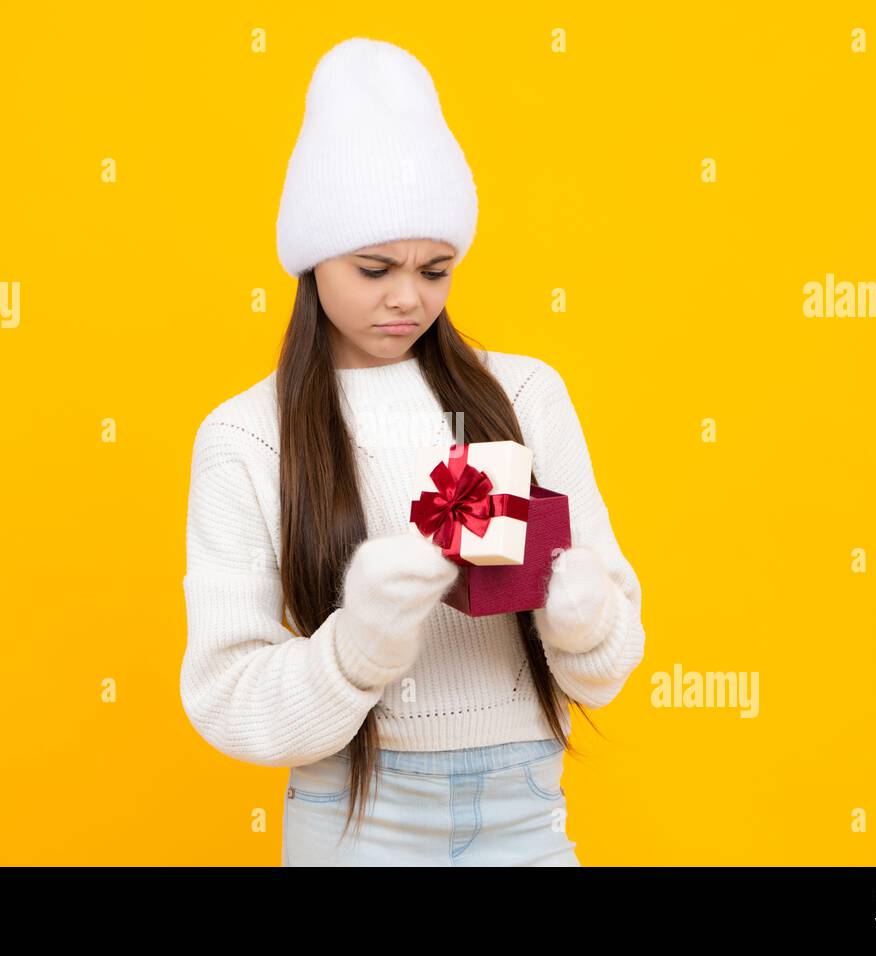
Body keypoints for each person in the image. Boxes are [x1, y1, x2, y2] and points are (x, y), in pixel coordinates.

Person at [179, 36, 646, 866]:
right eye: (373, 267)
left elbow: (606, 672)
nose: (407, 299)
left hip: (525, 806)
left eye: (436, 269)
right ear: (310, 261)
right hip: (353, 817)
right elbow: (226, 699)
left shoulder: (524, 395)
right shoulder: (246, 438)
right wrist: (358, 642)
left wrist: (582, 620)